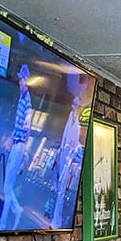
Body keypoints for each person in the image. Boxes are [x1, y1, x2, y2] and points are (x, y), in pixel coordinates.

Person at [0, 63, 32, 230]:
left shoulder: (27, 101)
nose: (19, 82)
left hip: (19, 148)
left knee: (8, 186)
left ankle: (4, 223)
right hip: (16, 146)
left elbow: (27, 127)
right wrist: (9, 140)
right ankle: (15, 211)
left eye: (21, 79)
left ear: (26, 80)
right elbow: (18, 127)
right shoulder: (22, 99)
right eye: (19, 79)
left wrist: (24, 153)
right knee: (7, 185)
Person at [51, 93, 84, 229]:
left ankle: (56, 221)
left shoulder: (78, 124)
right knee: (58, 187)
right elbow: (65, 137)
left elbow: (75, 144)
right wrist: (60, 153)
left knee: (61, 191)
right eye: (73, 105)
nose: (73, 107)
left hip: (70, 158)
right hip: (64, 155)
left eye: (75, 105)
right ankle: (55, 219)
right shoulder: (71, 117)